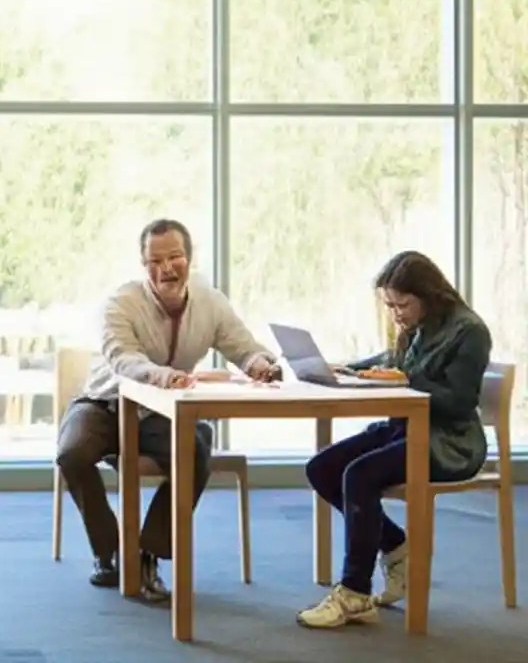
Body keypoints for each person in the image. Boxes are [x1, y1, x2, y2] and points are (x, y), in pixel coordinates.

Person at [57, 219, 280, 601]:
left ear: (189, 259)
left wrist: (260, 363)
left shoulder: (210, 302)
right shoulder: (120, 303)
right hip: (104, 402)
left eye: (174, 257)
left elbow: (244, 348)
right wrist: (162, 375)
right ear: (143, 265)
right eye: (154, 261)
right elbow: (123, 358)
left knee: (195, 449)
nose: (165, 268)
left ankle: (149, 553)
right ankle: (111, 552)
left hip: (159, 413)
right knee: (71, 454)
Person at [298, 251, 491, 629]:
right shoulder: (419, 326)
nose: (396, 314)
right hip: (408, 429)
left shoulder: (470, 331)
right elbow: (391, 359)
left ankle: (354, 593)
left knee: (359, 475)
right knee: (322, 468)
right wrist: (348, 368)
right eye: (390, 306)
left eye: (402, 305)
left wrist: (406, 380)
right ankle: (396, 545)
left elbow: (458, 402)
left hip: (449, 443)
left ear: (428, 295)